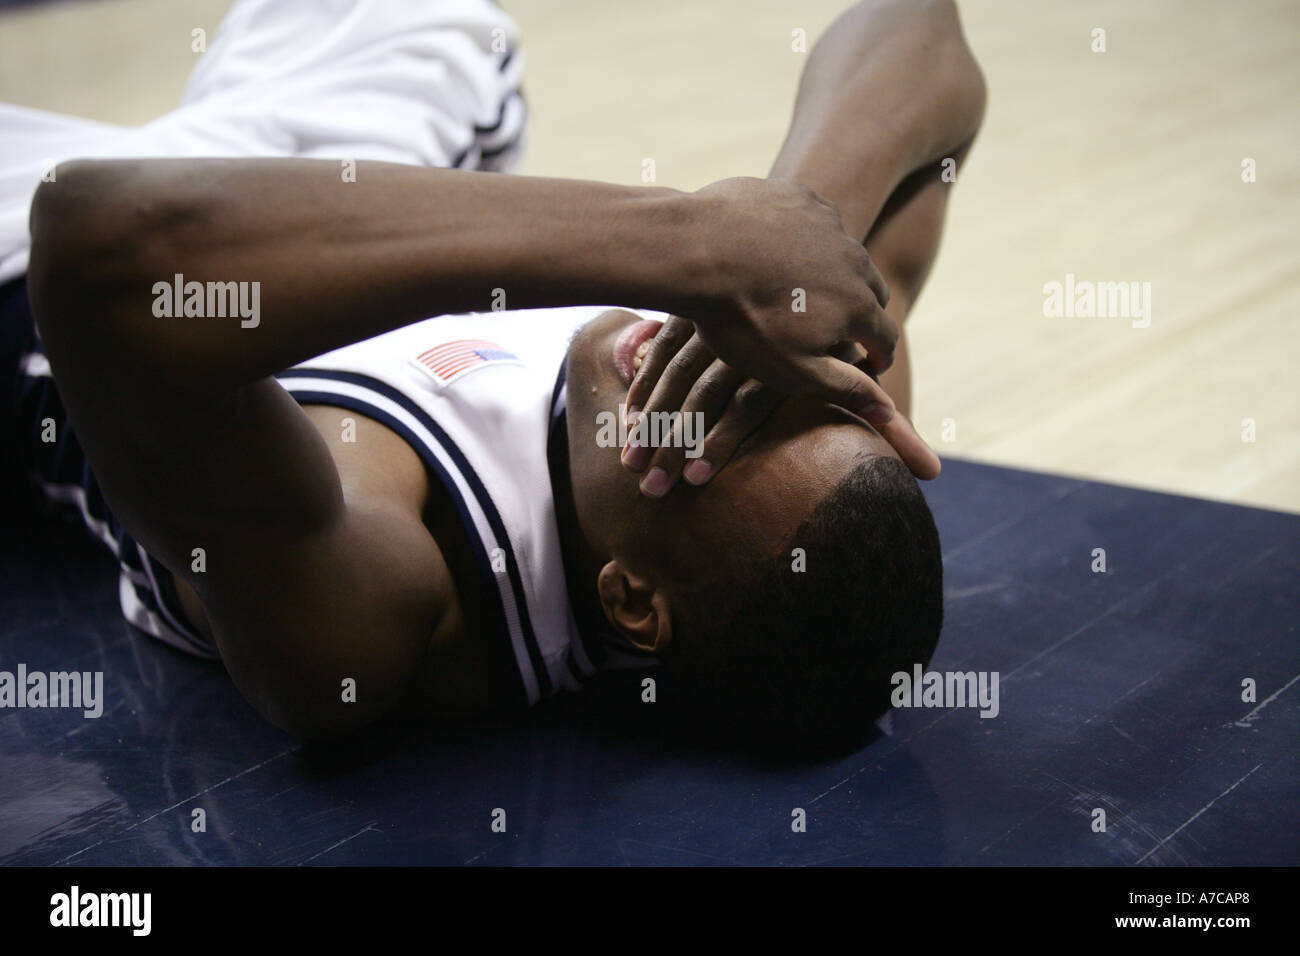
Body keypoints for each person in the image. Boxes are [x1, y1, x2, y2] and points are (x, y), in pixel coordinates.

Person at [5, 0, 985, 757]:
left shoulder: (378, 613)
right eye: (774, 391)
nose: (724, 370)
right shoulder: (819, 427)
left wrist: (695, 241)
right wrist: (801, 211)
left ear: (631, 601)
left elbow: (102, 243)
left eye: (718, 432)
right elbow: (918, 28)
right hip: (366, 181)